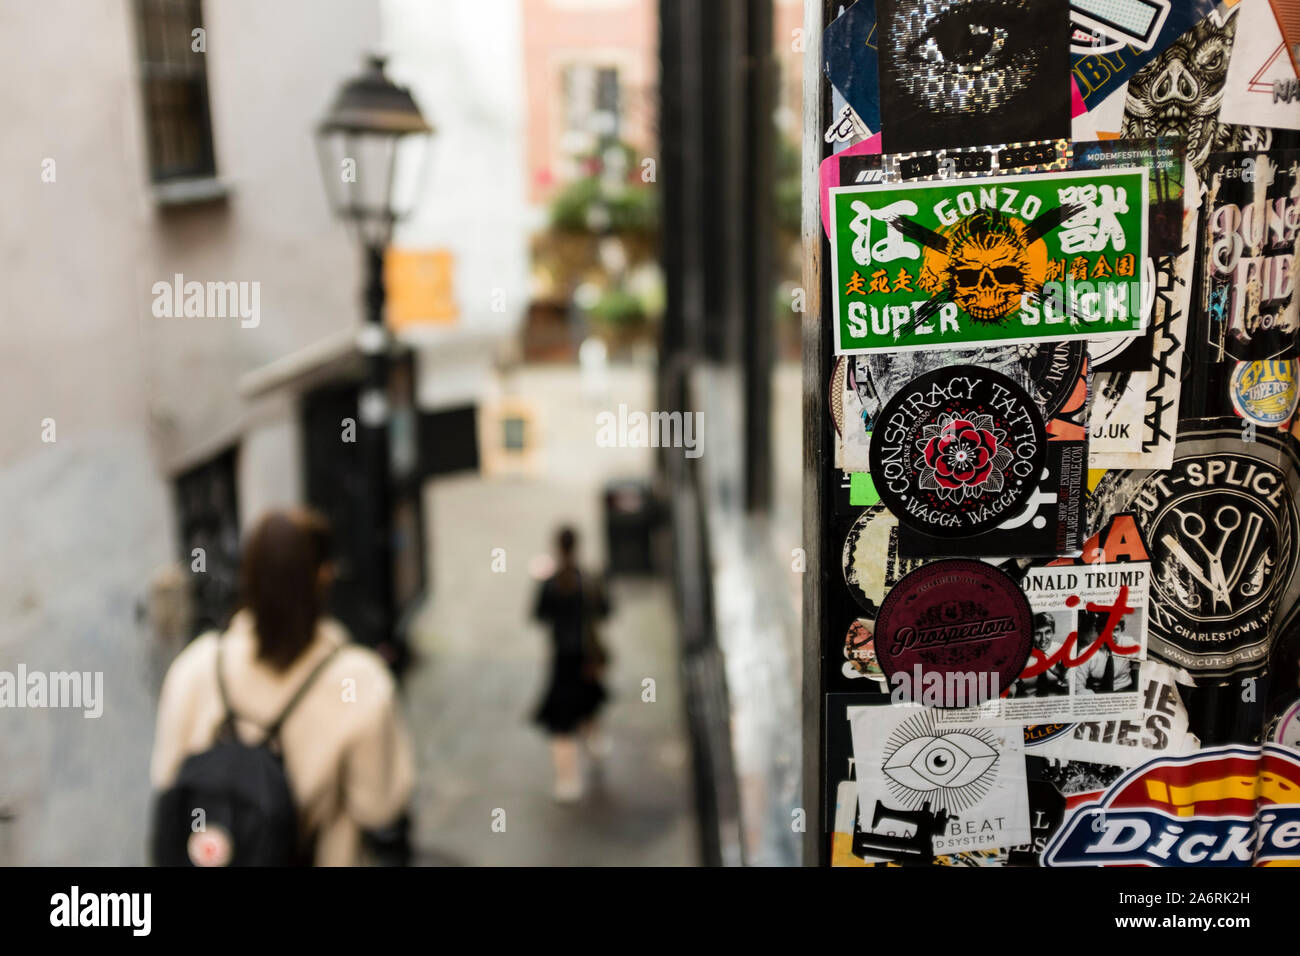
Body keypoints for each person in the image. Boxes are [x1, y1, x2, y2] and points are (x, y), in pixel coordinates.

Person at [150, 509, 415, 865]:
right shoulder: (359, 682)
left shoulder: (196, 666)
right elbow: (378, 809)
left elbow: (168, 780)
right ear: (324, 575)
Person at [532, 526, 610, 802]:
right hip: (585, 657)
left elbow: (538, 616)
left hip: (561, 659)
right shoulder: (588, 579)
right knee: (588, 703)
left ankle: (567, 780)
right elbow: (606, 611)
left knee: (562, 721)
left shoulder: (550, 582)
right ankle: (594, 743)